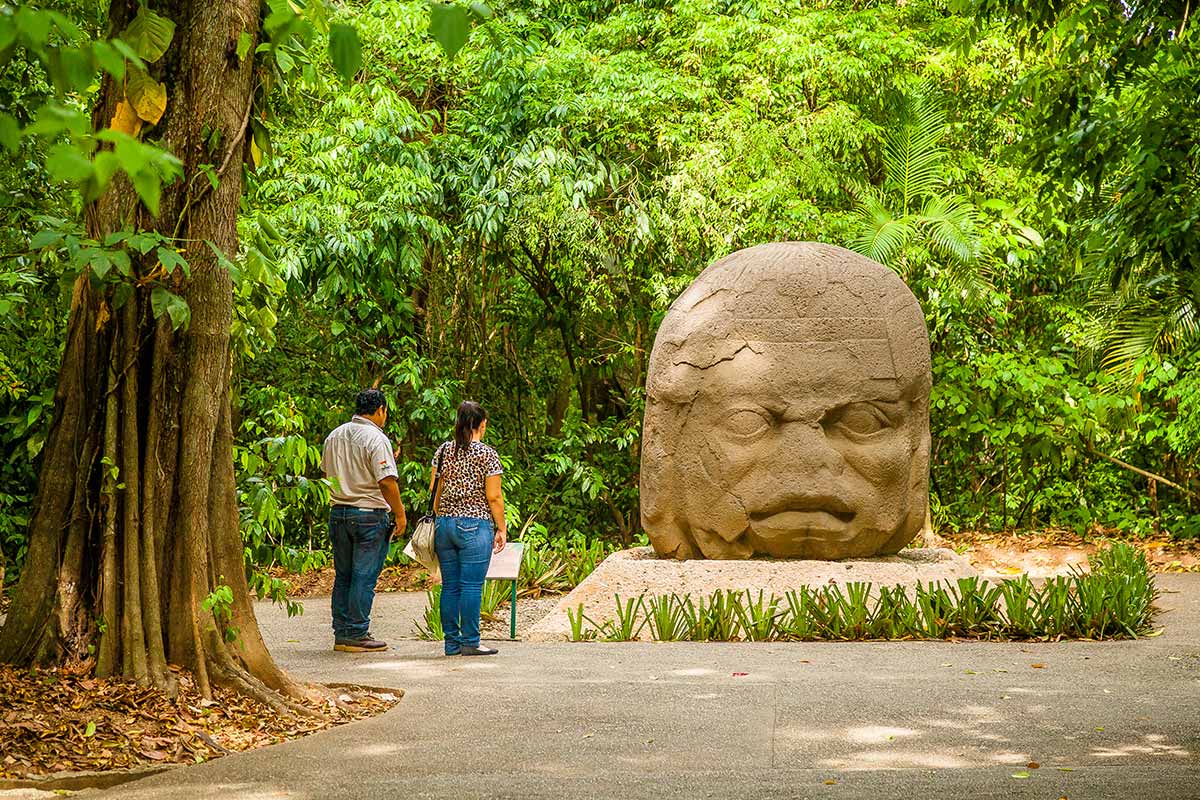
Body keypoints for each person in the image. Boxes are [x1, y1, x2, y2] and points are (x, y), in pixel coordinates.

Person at [321, 389, 407, 652]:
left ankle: (342, 632)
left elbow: (327, 474)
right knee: (364, 576)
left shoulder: (334, 436)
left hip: (339, 512)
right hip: (369, 515)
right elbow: (386, 481)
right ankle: (357, 632)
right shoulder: (376, 438)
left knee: (344, 575)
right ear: (380, 410)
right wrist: (400, 514)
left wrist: (344, 492)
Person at [430, 401, 507, 656]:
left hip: (444, 525)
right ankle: (471, 641)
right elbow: (494, 496)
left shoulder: (443, 451)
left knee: (450, 586)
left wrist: (443, 516)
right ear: (481, 425)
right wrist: (501, 528)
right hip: (475, 525)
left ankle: (451, 643)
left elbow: (434, 490)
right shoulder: (487, 454)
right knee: (472, 586)